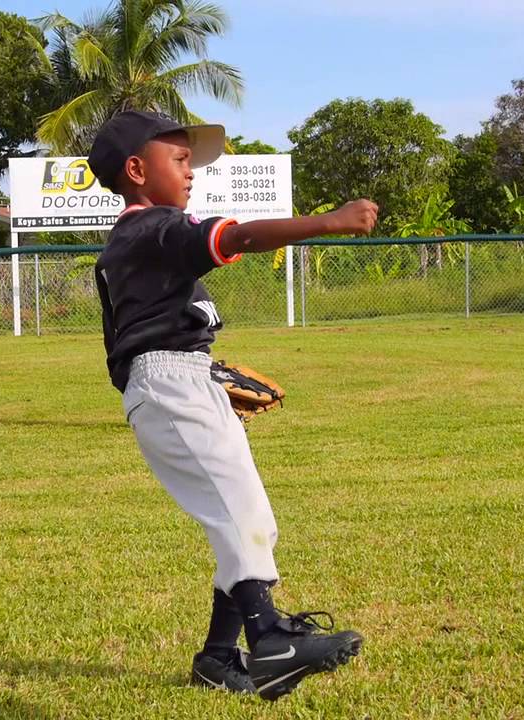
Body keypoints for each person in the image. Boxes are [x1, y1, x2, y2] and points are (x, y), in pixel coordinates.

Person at [88, 110, 378, 701]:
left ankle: (218, 658)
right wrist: (330, 221)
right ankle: (270, 637)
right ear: (137, 170)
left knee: (252, 524)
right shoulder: (153, 229)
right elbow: (238, 237)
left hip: (184, 380)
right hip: (169, 385)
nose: (190, 170)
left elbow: (142, 329)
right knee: (238, 518)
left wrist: (202, 373)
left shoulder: (145, 240)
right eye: (179, 159)